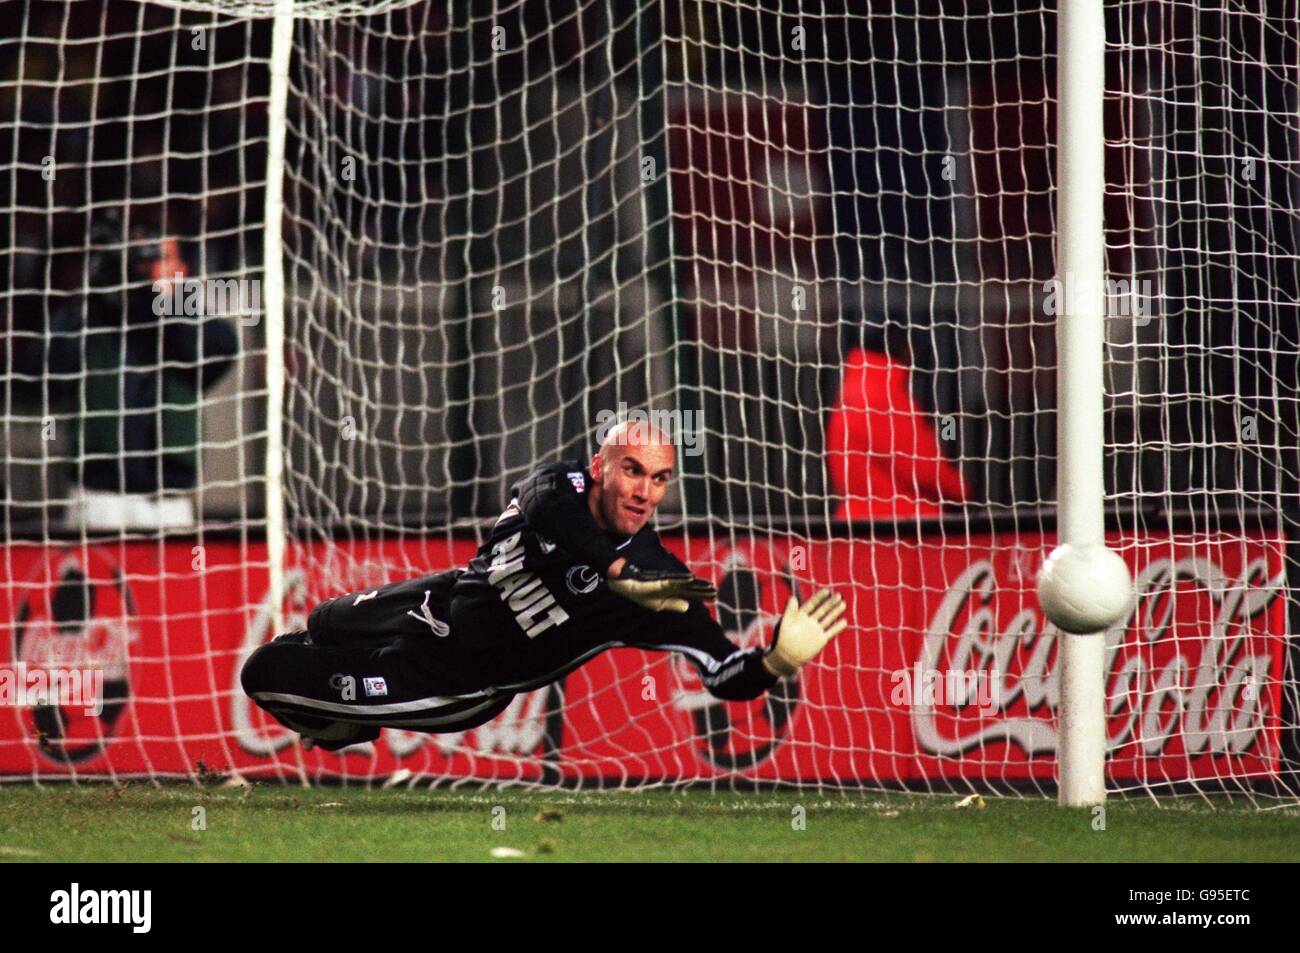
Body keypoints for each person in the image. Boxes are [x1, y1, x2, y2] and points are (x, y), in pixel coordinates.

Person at [241, 419, 848, 750]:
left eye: (659, 480)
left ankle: (351, 724)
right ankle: (340, 705)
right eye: (632, 470)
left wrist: (775, 662)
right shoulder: (558, 487)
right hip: (432, 602)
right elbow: (542, 507)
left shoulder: (662, 587)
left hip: (456, 682)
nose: (643, 492)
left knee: (265, 673)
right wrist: (616, 573)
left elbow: (723, 672)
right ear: (599, 467)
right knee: (315, 626)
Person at [19, 209, 238, 530]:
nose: (148, 267)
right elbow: (38, 369)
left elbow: (221, 350)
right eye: (139, 258)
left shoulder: (192, 326)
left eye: (160, 257)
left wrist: (164, 302)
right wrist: (93, 290)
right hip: (99, 498)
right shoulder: (95, 319)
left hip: (168, 502)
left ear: (181, 269)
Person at [826, 322, 969, 521]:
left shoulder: (852, 390)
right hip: (901, 523)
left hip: (858, 519)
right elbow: (922, 466)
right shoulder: (885, 396)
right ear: (903, 351)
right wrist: (961, 489)